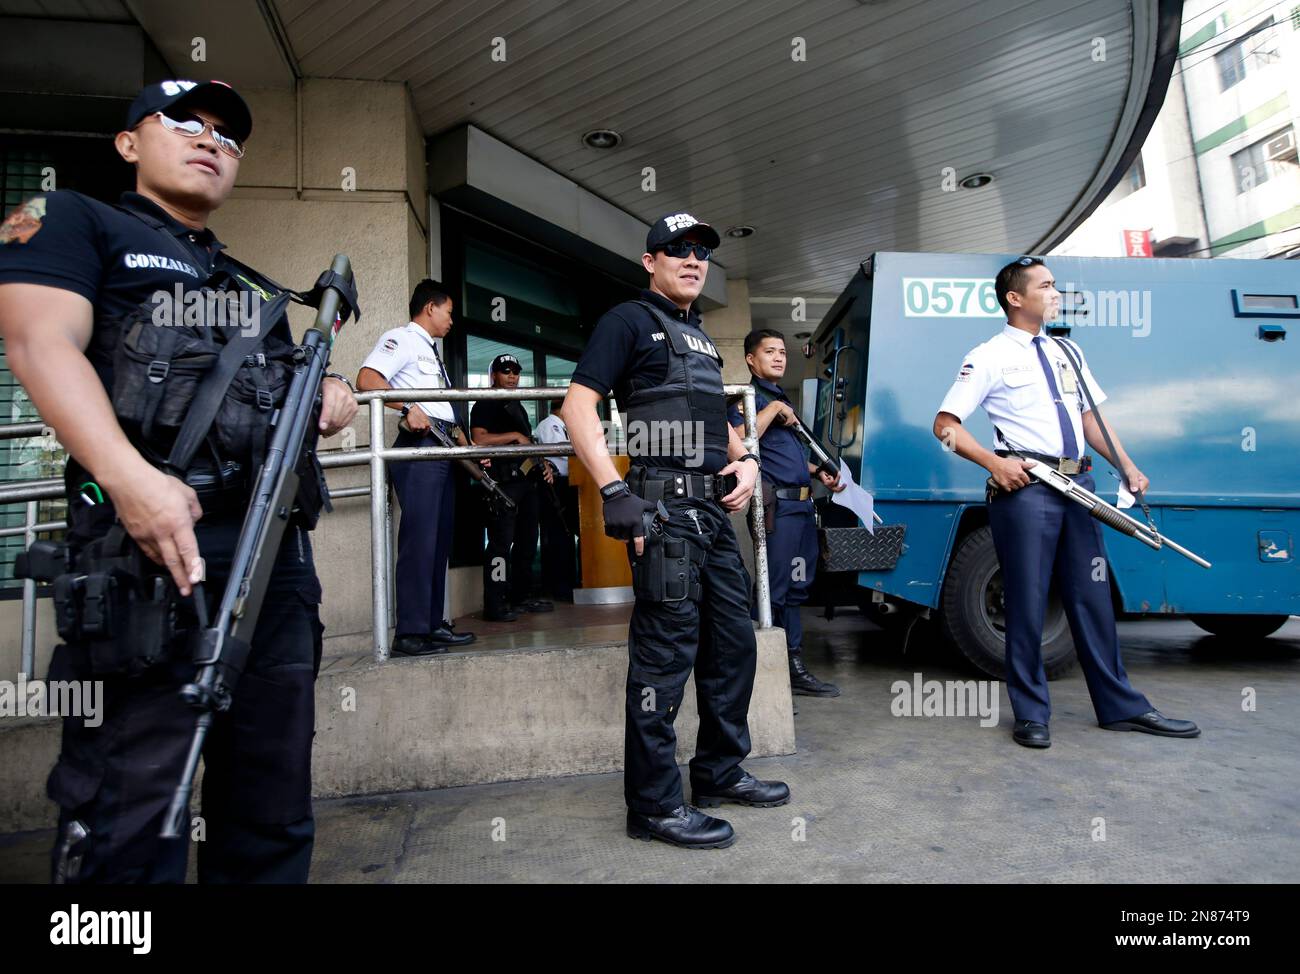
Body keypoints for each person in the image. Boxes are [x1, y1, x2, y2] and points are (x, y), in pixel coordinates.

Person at [0, 79, 358, 882]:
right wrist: (128, 479)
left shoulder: (250, 288)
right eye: (186, 124)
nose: (211, 142)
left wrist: (335, 397)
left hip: (270, 561)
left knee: (270, 801)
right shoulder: (75, 220)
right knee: (130, 805)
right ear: (129, 142)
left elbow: (277, 396)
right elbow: (38, 343)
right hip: (146, 551)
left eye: (228, 137)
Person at [561, 212, 789, 850]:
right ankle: (655, 806)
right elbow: (577, 407)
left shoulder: (703, 340)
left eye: (701, 253)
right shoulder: (627, 320)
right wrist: (613, 488)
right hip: (662, 515)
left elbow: (723, 429)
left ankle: (717, 771)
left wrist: (745, 462)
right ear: (650, 260)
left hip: (712, 516)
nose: (693, 260)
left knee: (732, 645)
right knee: (664, 660)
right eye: (678, 250)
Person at [933, 256, 1200, 748]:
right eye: (1047, 286)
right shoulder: (988, 355)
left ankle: (1120, 707)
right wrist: (994, 463)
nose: (1056, 294)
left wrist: (1127, 465)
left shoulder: (1067, 353)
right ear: (1016, 298)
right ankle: (1032, 715)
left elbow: (1089, 420)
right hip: (1028, 490)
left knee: (1092, 597)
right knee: (1027, 601)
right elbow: (945, 427)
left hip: (1081, 490)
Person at [357, 280, 476, 654]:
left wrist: (468, 450)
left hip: (443, 447)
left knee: (438, 541)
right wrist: (408, 407)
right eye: (449, 312)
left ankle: (431, 624)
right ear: (430, 307)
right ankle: (409, 633)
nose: (451, 321)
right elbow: (367, 380)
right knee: (419, 540)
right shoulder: (402, 339)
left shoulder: (430, 352)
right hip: (418, 448)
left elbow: (442, 410)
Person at [729, 329, 844, 698]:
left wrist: (817, 471)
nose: (779, 358)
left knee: (795, 591)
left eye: (782, 352)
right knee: (770, 592)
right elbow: (741, 441)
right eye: (770, 352)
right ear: (751, 359)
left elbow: (785, 456)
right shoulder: (748, 398)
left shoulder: (779, 399)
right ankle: (757, 679)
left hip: (802, 506)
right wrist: (772, 410)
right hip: (776, 507)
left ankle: (791, 668)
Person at [470, 354, 553, 620]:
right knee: (500, 545)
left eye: (515, 372)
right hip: (502, 484)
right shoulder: (485, 403)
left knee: (528, 542)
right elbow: (479, 439)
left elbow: (526, 443)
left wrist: (542, 463)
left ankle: (520, 597)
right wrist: (515, 437)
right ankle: (495, 605)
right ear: (494, 375)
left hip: (526, 481)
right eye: (505, 372)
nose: (512, 377)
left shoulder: (517, 405)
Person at [534, 398, 578, 602]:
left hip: (567, 484)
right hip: (556, 485)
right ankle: (560, 586)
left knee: (566, 536)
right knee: (559, 536)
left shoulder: (562, 426)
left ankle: (569, 581)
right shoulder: (551, 425)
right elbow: (560, 452)